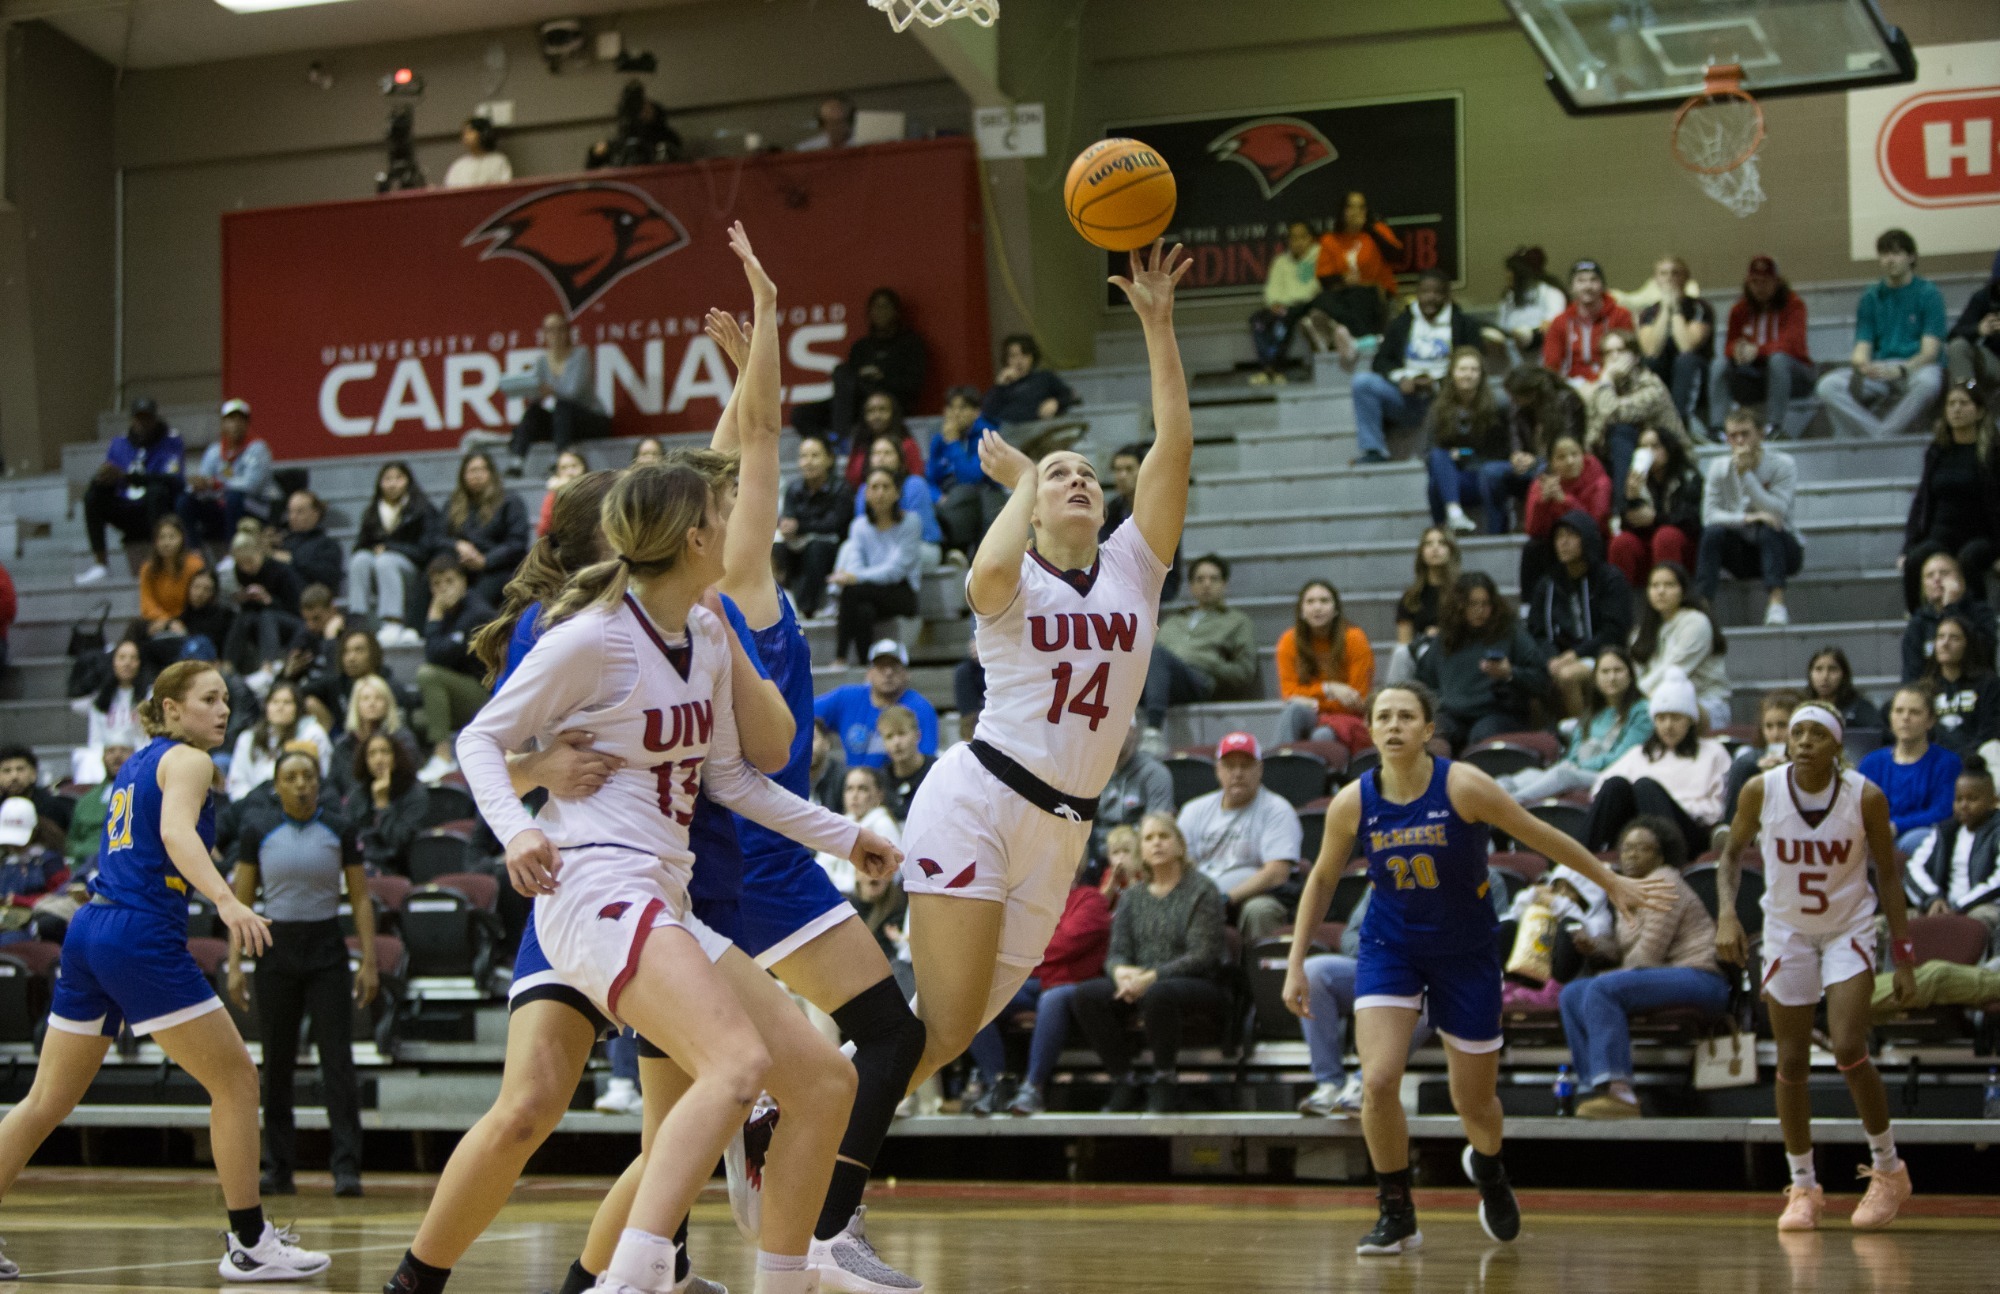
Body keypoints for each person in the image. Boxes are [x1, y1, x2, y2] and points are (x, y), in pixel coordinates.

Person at [451, 463, 896, 1294]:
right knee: (728, 1068)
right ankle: (630, 1277)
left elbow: (735, 780)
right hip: (591, 885)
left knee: (822, 1080)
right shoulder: (587, 634)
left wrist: (847, 836)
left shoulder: (704, 635)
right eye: (720, 515)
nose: (736, 526)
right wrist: (518, 827)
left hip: (667, 895)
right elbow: (477, 742)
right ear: (694, 538)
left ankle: (772, 1282)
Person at [894, 240, 1189, 1130]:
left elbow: (1173, 446)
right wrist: (1023, 478)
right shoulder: (1015, 574)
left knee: (944, 1035)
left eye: (1089, 474)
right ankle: (825, 1178)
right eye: (1061, 473)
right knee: (941, 1019)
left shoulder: (1135, 567)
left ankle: (795, 1111)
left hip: (1066, 827)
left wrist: (1158, 327)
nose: (1079, 480)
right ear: (1031, 505)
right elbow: (985, 572)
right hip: (983, 796)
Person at [1282, 682, 1663, 1256]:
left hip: (1465, 952)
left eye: (1406, 716)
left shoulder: (1463, 785)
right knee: (1378, 1082)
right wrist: (1296, 963)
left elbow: (1542, 836)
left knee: (1475, 1103)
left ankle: (1488, 1168)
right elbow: (1321, 880)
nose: (1393, 726)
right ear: (1372, 729)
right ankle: (1396, 1212)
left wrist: (1610, 881)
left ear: (1428, 729)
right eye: (1383, 716)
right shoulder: (1353, 802)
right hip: (1391, 946)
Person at [0, 662, 328, 1281]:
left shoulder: (138, 762)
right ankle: (250, 1243)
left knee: (45, 1099)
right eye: (208, 699)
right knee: (237, 1081)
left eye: (226, 699)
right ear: (171, 708)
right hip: (138, 933)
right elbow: (177, 833)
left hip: (91, 928)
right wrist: (227, 901)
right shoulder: (190, 760)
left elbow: (158, 836)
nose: (223, 710)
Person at [1715, 703, 1917, 1232]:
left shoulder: (1865, 797)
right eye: (1796, 732)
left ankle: (1888, 1169)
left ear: (1837, 747)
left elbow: (1888, 875)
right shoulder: (1760, 790)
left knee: (1848, 1046)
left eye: (1816, 734)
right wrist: (1727, 913)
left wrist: (1904, 956)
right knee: (1791, 1059)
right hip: (1788, 931)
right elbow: (1730, 855)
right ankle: (1803, 1186)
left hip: (1848, 928)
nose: (1804, 741)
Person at [226, 749, 374, 1197]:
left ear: (318, 781)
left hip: (327, 949)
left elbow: (361, 898)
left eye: (307, 776)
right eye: (290, 777)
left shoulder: (341, 828)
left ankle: (346, 1168)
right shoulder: (257, 830)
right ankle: (278, 1169)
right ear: (277, 785)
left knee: (337, 1061)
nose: (301, 784)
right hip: (276, 952)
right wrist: (235, 965)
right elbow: (241, 902)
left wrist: (369, 960)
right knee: (277, 1063)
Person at [1562, 816, 1728, 1119]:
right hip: (1659, 977)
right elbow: (1625, 950)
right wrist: (1595, 946)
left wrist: (1609, 977)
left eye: (1642, 849)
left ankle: (1620, 1092)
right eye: (1626, 848)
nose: (1631, 855)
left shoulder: (1665, 883)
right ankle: (1593, 1086)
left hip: (1700, 977)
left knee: (1601, 988)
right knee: (1572, 994)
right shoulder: (1626, 891)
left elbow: (1647, 956)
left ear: (1661, 856)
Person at [1070, 813, 1226, 1114]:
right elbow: (1116, 953)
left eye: (1163, 836)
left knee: (1158, 994)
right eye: (1148, 838)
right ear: (1141, 849)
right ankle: (1123, 1079)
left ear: (1180, 845)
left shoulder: (1202, 889)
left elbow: (1202, 955)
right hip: (1143, 980)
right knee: (1086, 995)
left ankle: (1165, 1080)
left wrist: (1149, 978)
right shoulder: (1132, 896)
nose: (1156, 844)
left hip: (1198, 982)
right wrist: (1120, 973)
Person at [971, 864, 1111, 1117]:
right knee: (974, 999)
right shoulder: (1030, 902)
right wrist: (1027, 951)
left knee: (1052, 999)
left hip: (1073, 984)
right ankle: (997, 1083)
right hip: (1032, 982)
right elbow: (1009, 945)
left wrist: (1030, 952)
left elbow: (1068, 942)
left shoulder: (1091, 899)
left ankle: (1034, 1087)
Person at [1816, 228, 1948, 440]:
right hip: (1881, 368)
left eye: (1896, 253)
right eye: (1884, 254)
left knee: (1928, 383)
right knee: (1828, 386)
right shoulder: (1871, 296)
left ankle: (1883, 437)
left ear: (1911, 257)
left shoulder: (1928, 294)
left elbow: (1930, 353)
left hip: (1915, 367)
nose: (1889, 260)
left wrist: (1902, 370)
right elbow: (1862, 347)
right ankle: (1879, 436)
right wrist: (1862, 365)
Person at [1584, 670, 1731, 854]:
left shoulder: (1713, 752)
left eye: (1676, 718)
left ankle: (1669, 857)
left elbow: (1718, 808)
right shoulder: (1640, 753)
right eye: (1661, 718)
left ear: (1690, 721)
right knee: (1615, 784)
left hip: (1689, 833)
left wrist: (1672, 802)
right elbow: (1599, 789)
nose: (1668, 726)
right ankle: (1576, 860)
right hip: (1642, 831)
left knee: (1645, 786)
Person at [1177, 732, 1304, 943]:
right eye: (1229, 766)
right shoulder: (1193, 810)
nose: (1237, 773)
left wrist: (1226, 898)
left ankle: (1263, 965)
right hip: (1201, 897)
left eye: (1245, 765)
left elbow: (1276, 873)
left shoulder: (1277, 810)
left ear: (1260, 769)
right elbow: (1180, 865)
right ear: (1217, 770)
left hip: (1256, 896)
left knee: (1260, 910)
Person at [1350, 270, 1484, 464]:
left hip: (1446, 398)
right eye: (1425, 292)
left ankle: (1459, 452)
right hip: (1405, 397)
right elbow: (1381, 361)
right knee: (1362, 382)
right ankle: (1373, 451)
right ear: (1417, 294)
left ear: (1447, 296)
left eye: (1437, 292)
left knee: (1468, 381)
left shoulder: (1464, 324)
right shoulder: (1402, 322)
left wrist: (1437, 384)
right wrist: (1401, 379)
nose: (1430, 298)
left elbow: (1475, 361)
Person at [1414, 572, 1549, 752]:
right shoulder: (1446, 638)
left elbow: (1542, 678)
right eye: (1473, 604)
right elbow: (1423, 680)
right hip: (1452, 713)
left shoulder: (1510, 633)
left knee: (1482, 739)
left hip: (1497, 713)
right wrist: (1440, 701)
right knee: (1432, 736)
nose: (1479, 610)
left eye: (1485, 604)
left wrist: (1510, 673)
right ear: (1460, 605)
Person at [1496, 648, 1650, 803]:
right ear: (1596, 678)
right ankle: (1494, 795)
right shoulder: (1593, 711)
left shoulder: (1641, 711)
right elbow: (1575, 750)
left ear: (1630, 675)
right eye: (1605, 672)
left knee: (1562, 774)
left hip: (1611, 775)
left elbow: (1623, 757)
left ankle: (1511, 804)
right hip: (1579, 768)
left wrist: (1579, 765)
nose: (1612, 677)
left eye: (1618, 671)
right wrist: (1571, 763)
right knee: (1529, 774)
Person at [1901, 383, 1999, 612]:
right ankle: (1919, 621)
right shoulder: (1937, 451)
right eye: (1951, 404)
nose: (1956, 409)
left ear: (1979, 411)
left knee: (1969, 558)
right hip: (1942, 534)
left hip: (1981, 535)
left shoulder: (1993, 453)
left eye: (1964, 403)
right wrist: (1907, 547)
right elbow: (1921, 501)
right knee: (1914, 560)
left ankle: (1977, 621)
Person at [1144, 554, 1259, 741]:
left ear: (1225, 584)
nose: (1206, 584)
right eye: (1200, 579)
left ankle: (1153, 731)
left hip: (1199, 681)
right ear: (1190, 586)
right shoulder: (1172, 621)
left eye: (1213, 579)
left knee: (1158, 655)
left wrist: (1210, 663)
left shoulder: (1237, 621)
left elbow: (1245, 672)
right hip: (1161, 680)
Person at [798, 287, 928, 446]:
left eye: (885, 306)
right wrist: (861, 376)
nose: (880, 312)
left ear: (896, 311)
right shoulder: (861, 347)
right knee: (802, 413)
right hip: (858, 404)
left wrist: (881, 377)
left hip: (891, 400)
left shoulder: (910, 344)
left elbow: (913, 385)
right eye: (875, 307)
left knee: (848, 377)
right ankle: (831, 448)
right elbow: (849, 384)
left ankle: (841, 437)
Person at [77, 397, 186, 586]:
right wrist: (103, 477)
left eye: (147, 418)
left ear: (155, 419)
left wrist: (128, 476)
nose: (143, 423)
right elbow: (111, 474)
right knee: (94, 494)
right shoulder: (119, 443)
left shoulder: (171, 441)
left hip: (157, 510)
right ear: (132, 420)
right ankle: (100, 564)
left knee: (156, 492)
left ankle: (159, 562)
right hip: (127, 507)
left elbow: (172, 480)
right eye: (138, 418)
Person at [414, 556, 495, 784]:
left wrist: (434, 616)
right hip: (464, 691)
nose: (443, 589)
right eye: (437, 584)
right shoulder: (450, 612)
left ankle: (443, 757)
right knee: (418, 719)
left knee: (427, 674)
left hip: (488, 695)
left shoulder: (477, 613)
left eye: (449, 581)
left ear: (463, 582)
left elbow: (436, 656)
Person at [832, 467, 924, 666]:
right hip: (867, 593)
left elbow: (896, 571)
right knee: (863, 610)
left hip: (902, 592)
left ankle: (840, 656)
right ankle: (866, 665)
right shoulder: (859, 526)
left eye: (885, 487)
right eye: (874, 487)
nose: (880, 493)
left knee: (851, 591)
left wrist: (858, 578)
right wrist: (857, 577)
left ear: (897, 493)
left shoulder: (911, 522)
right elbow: (855, 565)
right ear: (866, 494)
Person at [1712, 255, 1813, 436]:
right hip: (1756, 376)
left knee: (1778, 359)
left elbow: (1792, 345)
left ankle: (1774, 426)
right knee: (1719, 364)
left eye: (1765, 282)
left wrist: (1757, 351)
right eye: (1755, 282)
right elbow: (1729, 345)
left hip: (1794, 375)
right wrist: (1737, 351)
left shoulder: (1795, 305)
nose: (1760, 287)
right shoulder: (1739, 309)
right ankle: (1717, 428)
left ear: (1777, 282)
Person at [1858, 685, 1963, 855]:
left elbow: (1942, 811)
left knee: (1915, 840)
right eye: (1899, 711)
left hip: (1919, 837)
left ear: (1930, 721)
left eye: (1914, 712)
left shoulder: (1947, 762)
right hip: (1875, 835)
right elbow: (1858, 808)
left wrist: (1896, 826)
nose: (1905, 718)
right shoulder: (1871, 763)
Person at [1905, 757, 2000, 943]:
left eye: (1972, 799)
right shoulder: (1945, 831)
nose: (1963, 805)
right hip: (1942, 906)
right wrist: (1933, 899)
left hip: (1982, 907)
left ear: (1993, 801)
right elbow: (1913, 868)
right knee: (1885, 925)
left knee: (1977, 921)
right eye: (1958, 799)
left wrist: (1959, 907)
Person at [503, 315, 610, 477]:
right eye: (550, 330)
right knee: (534, 411)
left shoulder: (580, 354)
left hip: (588, 419)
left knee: (562, 407)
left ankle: (560, 460)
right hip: (561, 422)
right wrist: (530, 387)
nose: (555, 334)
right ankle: (517, 461)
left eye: (560, 329)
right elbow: (536, 398)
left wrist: (550, 390)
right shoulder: (542, 361)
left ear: (568, 332)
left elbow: (574, 392)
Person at [1583, 328, 1688, 493]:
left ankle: (1623, 505)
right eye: (1608, 353)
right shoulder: (1605, 389)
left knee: (1620, 432)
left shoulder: (1651, 386)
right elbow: (1593, 434)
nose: (1614, 357)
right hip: (1632, 462)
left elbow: (1613, 413)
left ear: (1636, 357)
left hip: (1670, 465)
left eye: (1620, 350)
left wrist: (1606, 379)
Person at [1632, 562, 1731, 733]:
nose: (1661, 591)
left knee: (1650, 713)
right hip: (1654, 699)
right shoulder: (1643, 629)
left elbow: (1673, 671)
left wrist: (1633, 696)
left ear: (1683, 590)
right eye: (1655, 585)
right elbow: (1637, 671)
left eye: (1669, 585)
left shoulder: (1696, 622)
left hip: (1704, 702)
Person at [1423, 347, 1515, 532]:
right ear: (1452, 373)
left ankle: (1491, 533)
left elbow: (1503, 448)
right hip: (1456, 478)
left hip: (1487, 474)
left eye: (1474, 370)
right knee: (1437, 464)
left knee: (1441, 479)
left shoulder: (1498, 405)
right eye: (1463, 369)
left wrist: (1464, 453)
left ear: (1481, 375)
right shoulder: (1439, 409)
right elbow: (1429, 454)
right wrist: (1454, 457)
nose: (1468, 375)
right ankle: (1452, 517)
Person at [349, 460, 439, 648]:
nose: (393, 484)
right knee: (360, 560)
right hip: (378, 571)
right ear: (380, 483)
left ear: (408, 481)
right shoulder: (372, 512)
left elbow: (425, 551)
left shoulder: (422, 509)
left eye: (398, 478)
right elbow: (359, 546)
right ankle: (358, 618)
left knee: (386, 560)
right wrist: (374, 551)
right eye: (387, 479)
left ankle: (393, 621)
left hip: (412, 572)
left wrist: (391, 548)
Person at [1276, 580, 1374, 749]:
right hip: (1310, 713)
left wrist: (1312, 702)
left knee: (1322, 734)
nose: (1317, 607)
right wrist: (1328, 689)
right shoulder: (1289, 640)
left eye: (1324, 601)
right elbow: (1289, 694)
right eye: (1310, 602)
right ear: (1301, 610)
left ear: (1336, 609)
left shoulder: (1355, 638)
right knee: (1293, 711)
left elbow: (1358, 701)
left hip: (1346, 718)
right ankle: (1281, 762)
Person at [815, 641, 940, 770]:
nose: (888, 672)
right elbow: (805, 713)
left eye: (894, 666)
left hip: (900, 780)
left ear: (906, 673)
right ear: (869, 673)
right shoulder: (846, 698)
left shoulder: (921, 709)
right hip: (855, 778)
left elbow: (926, 763)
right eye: (881, 666)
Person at [1309, 190, 1402, 359]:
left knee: (1359, 296)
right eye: (1351, 207)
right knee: (1320, 300)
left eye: (1361, 207)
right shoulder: (1330, 239)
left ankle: (1357, 340)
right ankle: (1364, 339)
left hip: (1375, 291)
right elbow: (1324, 278)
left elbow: (1396, 256)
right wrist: (1342, 279)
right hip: (1344, 293)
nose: (1356, 212)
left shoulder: (1377, 230)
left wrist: (1370, 229)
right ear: (1342, 211)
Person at [1608, 425, 1702, 588]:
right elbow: (1627, 526)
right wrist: (1631, 499)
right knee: (1622, 543)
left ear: (1668, 449)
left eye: (1655, 446)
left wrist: (1656, 518)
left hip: (1682, 547)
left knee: (1665, 536)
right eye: (1643, 447)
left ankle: (1669, 593)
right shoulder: (1636, 479)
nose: (1648, 452)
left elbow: (1691, 520)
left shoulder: (1688, 477)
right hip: (1649, 547)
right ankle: (1619, 599)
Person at [775, 434, 854, 620]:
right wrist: (787, 527)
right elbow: (788, 518)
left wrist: (800, 527)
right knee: (776, 548)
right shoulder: (794, 489)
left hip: (834, 547)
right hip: (799, 544)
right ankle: (776, 604)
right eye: (803, 456)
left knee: (816, 548)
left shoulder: (841, 488)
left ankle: (806, 610)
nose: (808, 462)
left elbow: (835, 524)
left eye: (815, 456)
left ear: (830, 459)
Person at [1519, 434, 1610, 594]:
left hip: (1591, 544)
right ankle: (1529, 604)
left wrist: (1564, 500)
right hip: (1558, 544)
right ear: (1551, 463)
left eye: (1575, 454)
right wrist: (1542, 502)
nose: (1570, 461)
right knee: (1532, 548)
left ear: (1583, 456)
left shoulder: (1600, 480)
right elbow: (1533, 531)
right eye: (1561, 457)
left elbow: (1594, 525)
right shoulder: (1542, 484)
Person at [176, 399, 274, 548]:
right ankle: (194, 550)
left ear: (247, 423)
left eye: (240, 419)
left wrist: (218, 483)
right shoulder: (214, 451)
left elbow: (252, 485)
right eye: (231, 419)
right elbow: (205, 479)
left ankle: (233, 550)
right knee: (184, 501)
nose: (236, 424)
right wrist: (198, 486)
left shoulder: (258, 448)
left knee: (234, 498)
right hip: (222, 506)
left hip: (253, 507)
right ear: (223, 423)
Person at [1634, 256, 1714, 428]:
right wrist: (1665, 309)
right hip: (1663, 372)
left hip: (1694, 374)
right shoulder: (1648, 312)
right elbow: (1651, 350)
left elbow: (1686, 346)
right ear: (1656, 280)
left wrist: (1676, 308)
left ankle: (1681, 424)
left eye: (1675, 273)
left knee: (1686, 361)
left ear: (1685, 278)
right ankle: (1654, 423)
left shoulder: (1700, 308)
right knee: (1650, 362)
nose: (1669, 278)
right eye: (1663, 273)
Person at [443, 451, 531, 607]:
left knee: (475, 599)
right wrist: (457, 545)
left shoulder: (510, 501)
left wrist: (485, 561)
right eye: (472, 471)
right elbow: (436, 537)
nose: (476, 476)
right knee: (432, 576)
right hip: (461, 565)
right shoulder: (453, 504)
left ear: (491, 473)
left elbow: (517, 543)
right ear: (463, 475)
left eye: (481, 470)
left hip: (500, 567)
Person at [926, 386, 1003, 559]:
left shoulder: (987, 435)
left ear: (976, 412)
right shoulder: (939, 439)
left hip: (982, 491)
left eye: (962, 408)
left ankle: (968, 554)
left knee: (969, 495)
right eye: (951, 407)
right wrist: (937, 497)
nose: (956, 413)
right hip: (948, 495)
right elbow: (930, 479)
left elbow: (971, 477)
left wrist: (953, 443)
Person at [220, 523, 303, 681]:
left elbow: (296, 607)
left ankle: (268, 666)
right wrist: (244, 599)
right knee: (243, 617)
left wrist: (269, 599)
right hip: (260, 621)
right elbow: (250, 608)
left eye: (250, 561)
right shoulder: (241, 572)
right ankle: (228, 666)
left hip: (291, 619)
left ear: (259, 553)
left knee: (267, 614)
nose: (246, 567)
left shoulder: (281, 571)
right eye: (241, 563)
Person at [225, 680, 332, 802]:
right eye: (275, 702)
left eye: (287, 702)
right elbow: (237, 783)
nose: (280, 707)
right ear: (266, 706)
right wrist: (254, 804)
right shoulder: (248, 738)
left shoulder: (313, 735)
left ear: (298, 708)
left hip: (299, 804)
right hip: (253, 804)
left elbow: (321, 778)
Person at [1901, 551, 1996, 683]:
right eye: (1930, 575)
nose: (1937, 579)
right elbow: (1911, 674)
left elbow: (1983, 653)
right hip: (1931, 690)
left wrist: (1952, 608)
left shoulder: (1981, 612)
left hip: (1977, 687)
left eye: (1944, 573)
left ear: (1961, 581)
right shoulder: (1918, 622)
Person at [344, 730, 428, 876]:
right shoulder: (357, 794)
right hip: (363, 866)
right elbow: (349, 838)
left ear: (396, 757)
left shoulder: (415, 793)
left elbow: (400, 843)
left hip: (401, 869)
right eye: (372, 754)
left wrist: (382, 804)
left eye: (385, 752)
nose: (379, 760)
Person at [1093, 717, 1175, 863]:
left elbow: (1159, 827)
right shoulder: (1095, 773)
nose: (1113, 736)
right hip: (1100, 857)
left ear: (1133, 732)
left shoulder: (1154, 773)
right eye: (1107, 730)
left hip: (1141, 859)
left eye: (1119, 729)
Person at [1250, 220, 1323, 382]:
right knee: (1257, 321)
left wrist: (1285, 303)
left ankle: (1273, 368)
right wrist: (1274, 303)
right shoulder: (1280, 261)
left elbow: (1309, 290)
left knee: (1282, 322)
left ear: (1310, 238)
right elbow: (1272, 289)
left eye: (1302, 237)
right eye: (1293, 238)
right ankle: (1269, 368)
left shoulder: (1317, 257)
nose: (1298, 242)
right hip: (1282, 307)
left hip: (1305, 306)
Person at [1543, 260, 1635, 387]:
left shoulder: (1620, 315)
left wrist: (1605, 379)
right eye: (1581, 281)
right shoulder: (1560, 322)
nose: (1588, 286)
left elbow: (1628, 355)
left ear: (1603, 286)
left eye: (1593, 280)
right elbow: (1551, 365)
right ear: (1571, 288)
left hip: (1613, 381)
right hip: (1572, 387)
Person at [851, 434, 942, 562]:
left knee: (893, 555)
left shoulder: (915, 484)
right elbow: (863, 529)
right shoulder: (864, 489)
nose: (881, 458)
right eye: (876, 453)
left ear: (900, 460)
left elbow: (920, 529)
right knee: (848, 549)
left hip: (919, 544)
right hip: (877, 546)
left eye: (887, 453)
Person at [1924, 614, 2000, 763]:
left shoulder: (1989, 684)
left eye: (1954, 638)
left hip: (1978, 760)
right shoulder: (1924, 688)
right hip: (1935, 762)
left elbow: (1990, 730)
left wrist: (1965, 756)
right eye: (1940, 637)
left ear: (1968, 644)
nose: (1945, 643)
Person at [1723, 689, 1804, 828]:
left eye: (1782, 725)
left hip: (1796, 825)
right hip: (1757, 824)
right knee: (1743, 765)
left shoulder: (1812, 759)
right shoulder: (1750, 762)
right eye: (1769, 726)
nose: (1775, 734)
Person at [72, 638, 148, 787]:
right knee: (87, 759)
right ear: (113, 662)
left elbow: (147, 738)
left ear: (139, 663)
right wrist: (111, 755)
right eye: (122, 657)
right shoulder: (100, 699)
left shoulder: (149, 697)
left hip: (138, 753)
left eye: (133, 658)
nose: (127, 663)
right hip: (106, 756)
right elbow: (95, 741)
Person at [817, 767, 902, 895]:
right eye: (849, 789)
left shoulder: (883, 824)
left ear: (879, 795)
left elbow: (891, 875)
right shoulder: (840, 823)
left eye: (862, 789)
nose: (854, 795)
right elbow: (821, 864)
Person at [1389, 527, 1458, 684]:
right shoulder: (1411, 597)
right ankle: (1395, 695)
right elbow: (1404, 642)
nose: (1435, 548)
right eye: (1429, 544)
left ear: (1451, 551)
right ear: (1421, 552)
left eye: (1441, 543)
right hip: (1422, 653)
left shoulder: (1463, 592)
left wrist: (1440, 635)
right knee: (1400, 652)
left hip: (1453, 652)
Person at [66, 728, 136, 870]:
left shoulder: (146, 794)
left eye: (124, 750)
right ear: (103, 757)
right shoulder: (86, 800)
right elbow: (72, 842)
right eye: (111, 751)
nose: (117, 756)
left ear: (135, 756)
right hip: (87, 868)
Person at [980, 334, 1076, 428]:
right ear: (1006, 359)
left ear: (1032, 357)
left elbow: (1069, 395)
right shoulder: (1002, 386)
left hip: (1037, 428)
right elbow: (986, 411)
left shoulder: (1044, 377)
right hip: (1007, 430)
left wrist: (1056, 402)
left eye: (1024, 355)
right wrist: (999, 385)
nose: (1019, 361)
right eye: (1013, 356)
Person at [838, 392, 925, 491]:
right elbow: (851, 478)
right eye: (871, 411)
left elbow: (917, 479)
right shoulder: (860, 445)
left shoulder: (907, 445)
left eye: (883, 409)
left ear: (893, 413)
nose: (877, 416)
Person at [1495, 245, 1567, 361]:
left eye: (1512, 271)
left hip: (1541, 359)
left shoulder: (1550, 294)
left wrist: (1528, 335)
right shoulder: (1509, 298)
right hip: (1514, 360)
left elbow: (1552, 327)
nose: (1507, 275)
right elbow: (1502, 328)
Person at [138, 515, 206, 637]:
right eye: (162, 538)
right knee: (136, 626)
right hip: (159, 620)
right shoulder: (148, 569)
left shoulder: (195, 565)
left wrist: (175, 622)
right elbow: (147, 603)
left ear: (182, 539)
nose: (166, 543)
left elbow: (201, 598)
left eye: (172, 537)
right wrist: (167, 622)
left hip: (189, 618)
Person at [268, 489, 345, 597]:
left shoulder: (328, 545)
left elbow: (327, 575)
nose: (293, 517)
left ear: (315, 513)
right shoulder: (282, 543)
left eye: (300, 512)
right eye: (290, 511)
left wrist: (292, 560)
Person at [1946, 250, 2000, 391]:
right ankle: (1965, 397)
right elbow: (1954, 334)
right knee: (1958, 346)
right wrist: (1979, 329)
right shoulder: (1984, 296)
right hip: (1994, 360)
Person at [1805, 646, 1884, 736]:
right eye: (1818, 669)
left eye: (1832, 669)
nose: (1825, 676)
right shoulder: (1803, 708)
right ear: (1810, 674)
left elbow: (1880, 736)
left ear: (1844, 675)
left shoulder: (1859, 708)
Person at [876, 704, 934, 819]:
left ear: (918, 736)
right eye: (889, 736)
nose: (896, 742)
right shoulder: (881, 781)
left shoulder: (936, 771)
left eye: (901, 733)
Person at [0, 746, 71, 833]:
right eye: (7, 771)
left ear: (33, 774)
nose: (14, 776)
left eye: (20, 769)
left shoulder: (52, 808)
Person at [179, 567, 235, 659]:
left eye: (206, 589)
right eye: (196, 587)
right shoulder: (182, 615)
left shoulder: (224, 616)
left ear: (213, 593)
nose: (200, 593)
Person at [442, 115, 511, 187]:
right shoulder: (459, 165)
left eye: (470, 132)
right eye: (464, 133)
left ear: (483, 134)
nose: (465, 137)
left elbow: (504, 187)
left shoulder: (498, 161)